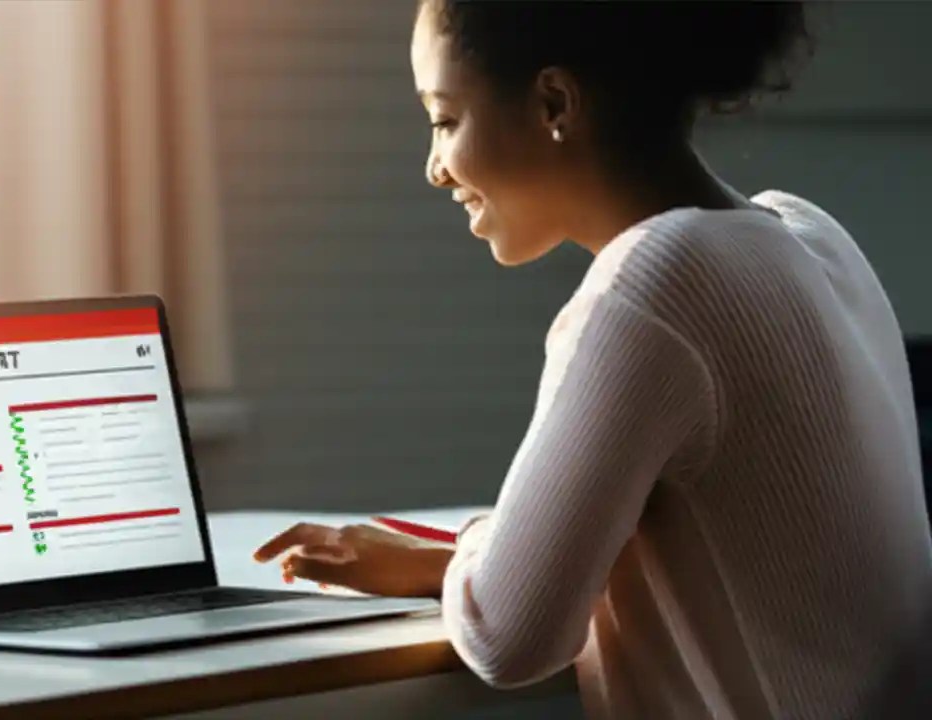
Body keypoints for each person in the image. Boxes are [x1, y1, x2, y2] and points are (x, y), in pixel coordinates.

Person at [253, 1, 932, 718]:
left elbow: (511, 637)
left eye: (445, 120)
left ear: (554, 101)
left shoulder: (658, 281)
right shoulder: (812, 237)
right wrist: (460, 567)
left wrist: (479, 552)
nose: (435, 170)